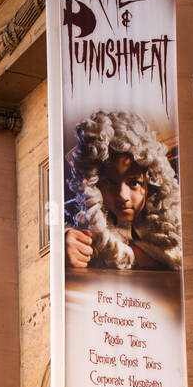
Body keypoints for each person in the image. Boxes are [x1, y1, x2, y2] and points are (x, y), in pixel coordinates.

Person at [64, 111, 181, 272]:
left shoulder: (169, 228)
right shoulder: (77, 218)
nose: (122, 196)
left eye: (133, 183)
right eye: (110, 183)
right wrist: (63, 244)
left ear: (150, 183)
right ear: (95, 185)